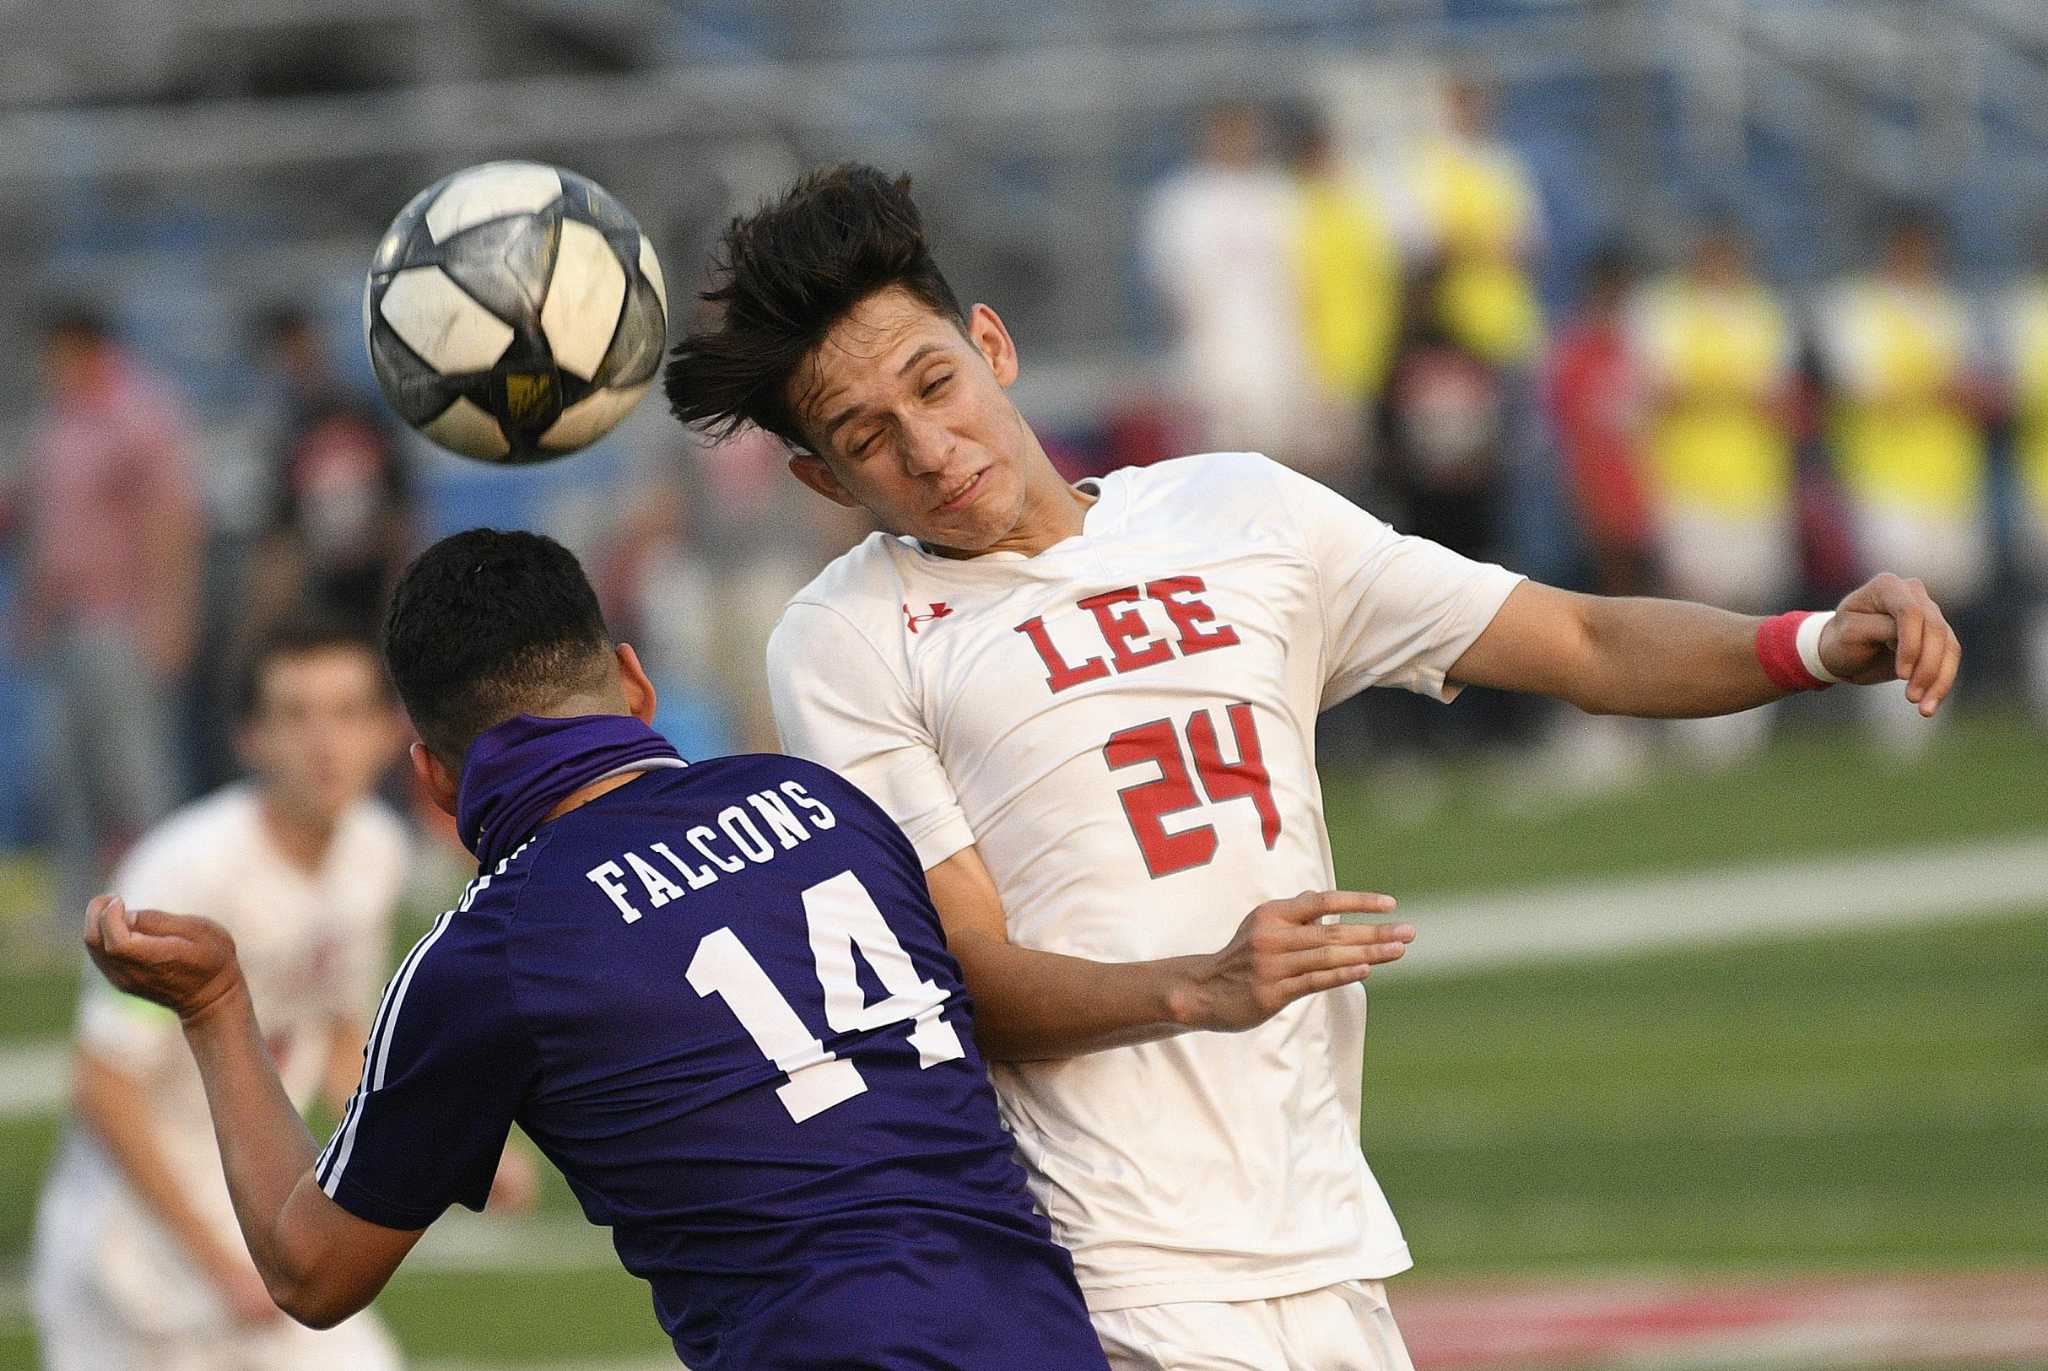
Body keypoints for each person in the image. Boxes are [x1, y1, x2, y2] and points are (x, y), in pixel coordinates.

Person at [663, 164, 1963, 1370]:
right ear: (819, 476)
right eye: (867, 432)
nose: (928, 445)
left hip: (1320, 1227)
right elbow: (969, 973)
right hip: (1108, 1257)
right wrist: (1198, 984)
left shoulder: (1238, 508)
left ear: (991, 345)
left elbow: (1574, 633)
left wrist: (1805, 641)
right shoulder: (844, 631)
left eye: (934, 384)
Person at [80, 528, 1111, 1371]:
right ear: (633, 680)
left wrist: (216, 1007)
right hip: (1047, 1336)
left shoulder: (491, 950)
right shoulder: (821, 801)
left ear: (435, 780)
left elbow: (311, 1271)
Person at [31, 616, 424, 1371]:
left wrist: (436, 1145)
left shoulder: (376, 851)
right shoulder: (184, 873)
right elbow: (105, 1087)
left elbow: (340, 1034)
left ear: (385, 731)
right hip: (132, 1262)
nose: (324, 743)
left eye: (347, 713)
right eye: (295, 715)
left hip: (261, 1215)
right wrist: (222, 1266)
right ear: (249, 737)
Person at [12, 300, 202, 935]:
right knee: (63, 770)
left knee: (134, 767)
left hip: (120, 616)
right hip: (63, 621)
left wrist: (168, 614)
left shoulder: (138, 415)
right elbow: (40, 525)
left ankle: (164, 897)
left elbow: (171, 520)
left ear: (86, 347)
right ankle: (77, 906)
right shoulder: (56, 423)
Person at [1630, 218, 1802, 763]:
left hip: (1755, 480)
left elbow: (1780, 398)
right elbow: (1657, 390)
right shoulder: (1661, 311)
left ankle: (1743, 738)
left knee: (1755, 609)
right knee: (1695, 609)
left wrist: (1710, 389)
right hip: (1688, 482)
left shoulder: (1764, 312)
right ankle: (1695, 733)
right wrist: (1732, 389)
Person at [1141, 101, 1309, 463]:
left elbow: (1300, 279)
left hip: (1276, 353)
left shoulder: (1276, 194)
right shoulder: (1184, 199)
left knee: (1280, 462)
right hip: (1210, 354)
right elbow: (1173, 284)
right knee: (1214, 463)